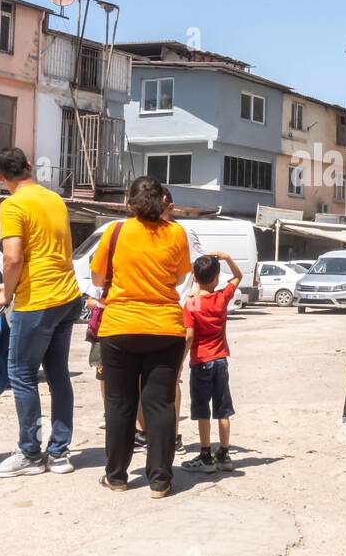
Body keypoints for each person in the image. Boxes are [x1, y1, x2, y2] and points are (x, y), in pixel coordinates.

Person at [0, 147, 84, 479]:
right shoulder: (54, 199)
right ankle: (59, 453)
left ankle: (29, 452)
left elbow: (13, 258)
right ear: (29, 167)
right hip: (67, 295)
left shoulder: (12, 205)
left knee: (22, 374)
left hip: (38, 298)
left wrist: (7, 292)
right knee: (58, 374)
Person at [91, 175, 192, 496]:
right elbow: (179, 277)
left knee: (119, 403)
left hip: (120, 327)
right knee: (159, 404)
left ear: (128, 202)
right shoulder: (176, 233)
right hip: (165, 327)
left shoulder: (116, 232)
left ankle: (117, 476)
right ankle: (160, 480)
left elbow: (97, 275)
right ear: (164, 201)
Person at [180, 252, 242, 473]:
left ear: (195, 278)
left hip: (201, 363)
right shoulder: (222, 297)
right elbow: (238, 276)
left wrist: (179, 365)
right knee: (223, 409)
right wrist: (227, 257)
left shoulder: (192, 305)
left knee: (202, 410)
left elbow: (188, 337)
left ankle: (206, 456)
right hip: (220, 361)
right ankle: (224, 454)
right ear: (216, 277)